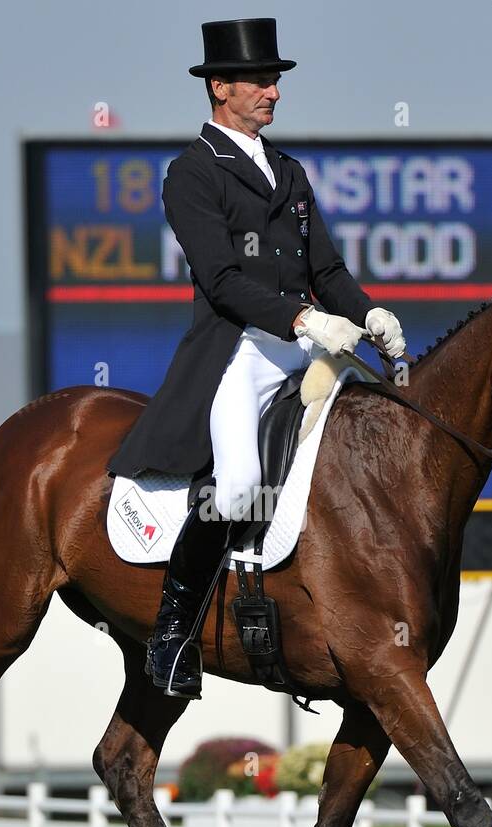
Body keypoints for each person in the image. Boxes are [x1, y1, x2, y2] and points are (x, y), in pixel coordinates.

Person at [107, 18, 407, 698]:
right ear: (221, 87)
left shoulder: (291, 173)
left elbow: (326, 269)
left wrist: (368, 313)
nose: (273, 91)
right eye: (260, 80)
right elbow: (220, 279)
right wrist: (302, 317)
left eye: (275, 80)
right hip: (237, 352)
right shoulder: (192, 173)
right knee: (240, 484)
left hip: (303, 352)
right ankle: (172, 634)